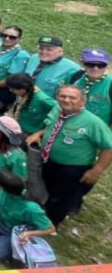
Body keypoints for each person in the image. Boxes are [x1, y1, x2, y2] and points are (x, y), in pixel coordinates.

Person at [25, 84, 112, 227]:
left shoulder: (93, 123)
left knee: (61, 199)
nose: (67, 100)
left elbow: (109, 147)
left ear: (83, 101)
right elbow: (50, 126)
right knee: (45, 190)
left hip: (72, 169)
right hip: (49, 161)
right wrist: (39, 133)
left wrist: (97, 170)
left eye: (72, 97)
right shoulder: (57, 111)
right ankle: (40, 214)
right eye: (62, 96)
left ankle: (49, 225)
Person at [0, 171, 56, 263]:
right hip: (0, 224)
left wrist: (28, 234)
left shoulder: (31, 208)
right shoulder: (2, 190)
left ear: (5, 188)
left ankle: (14, 251)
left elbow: (50, 229)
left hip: (16, 233)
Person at [68, 47, 111, 126]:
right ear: (82, 62)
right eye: (90, 64)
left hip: (98, 133)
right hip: (71, 128)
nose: (95, 68)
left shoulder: (110, 85)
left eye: (101, 65)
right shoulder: (75, 77)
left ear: (107, 65)